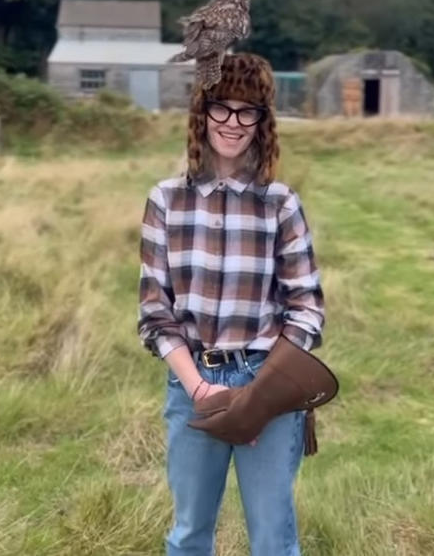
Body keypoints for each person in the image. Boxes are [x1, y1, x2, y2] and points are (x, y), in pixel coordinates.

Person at [138, 52, 325, 556]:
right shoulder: (166, 201)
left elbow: (307, 308)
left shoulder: (280, 204)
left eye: (248, 111)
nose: (233, 122)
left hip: (268, 384)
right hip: (192, 383)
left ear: (263, 122)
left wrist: (260, 397)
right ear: (203, 112)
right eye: (222, 107)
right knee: (190, 533)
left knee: (272, 537)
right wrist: (200, 389)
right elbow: (156, 312)